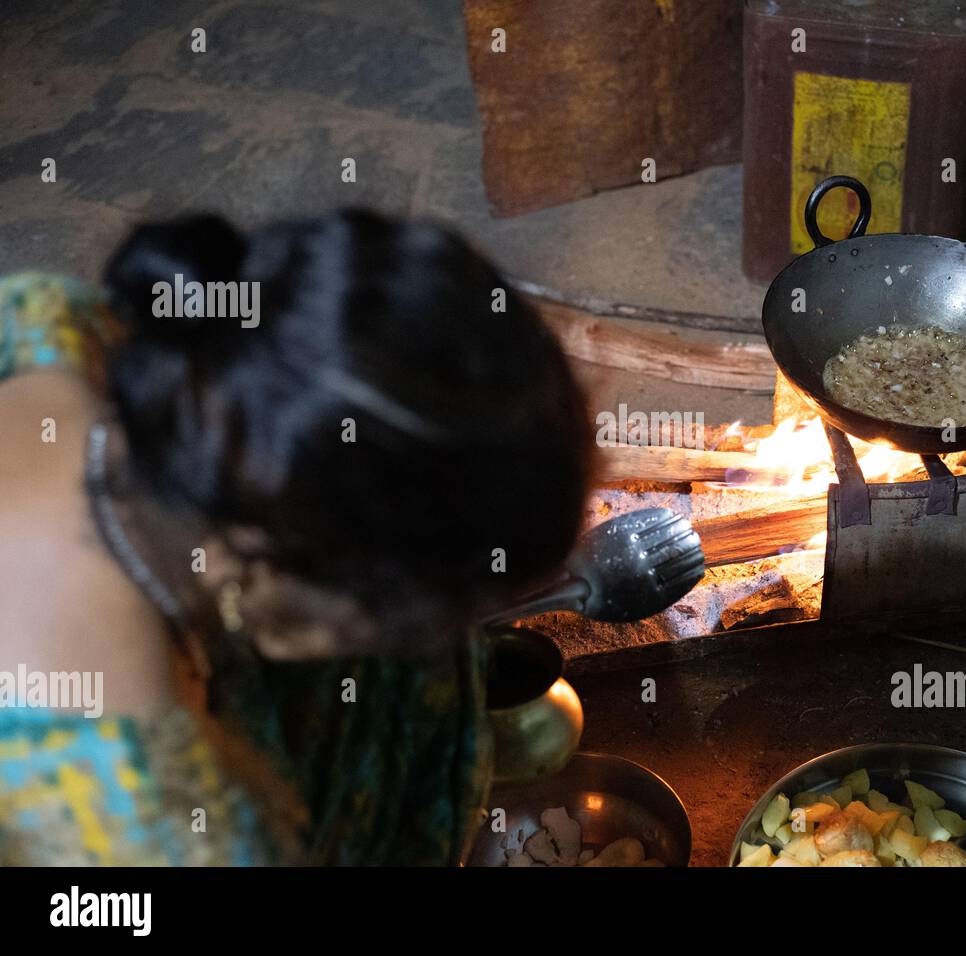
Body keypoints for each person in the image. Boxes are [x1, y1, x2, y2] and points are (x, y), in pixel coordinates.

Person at [0, 211, 590, 864]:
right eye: (418, 625)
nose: (453, 640)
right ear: (273, 575)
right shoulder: (151, 824)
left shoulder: (59, 327)